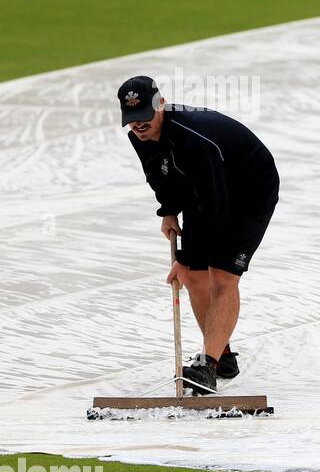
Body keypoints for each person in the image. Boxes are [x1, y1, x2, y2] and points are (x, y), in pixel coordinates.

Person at [118, 76, 279, 394]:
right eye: (131, 119)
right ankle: (222, 355)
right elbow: (160, 174)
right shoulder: (140, 136)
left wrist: (187, 257)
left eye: (144, 117)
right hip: (204, 191)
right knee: (192, 276)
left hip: (248, 191)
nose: (139, 125)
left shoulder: (194, 139)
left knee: (222, 275)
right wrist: (168, 210)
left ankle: (206, 366)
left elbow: (214, 210)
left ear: (160, 104)